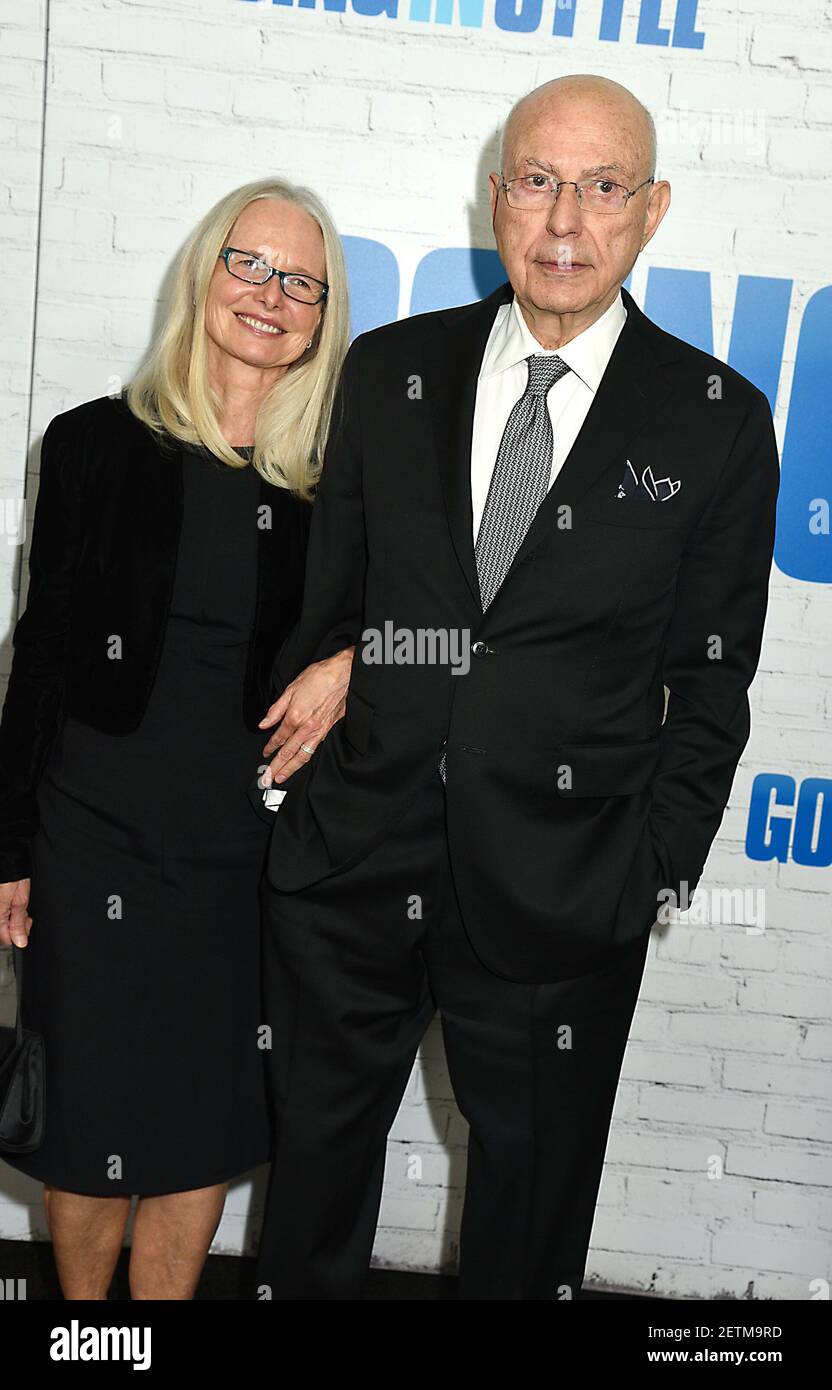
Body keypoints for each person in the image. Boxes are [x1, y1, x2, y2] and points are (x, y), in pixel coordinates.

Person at [255, 75, 781, 1299]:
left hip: (565, 893)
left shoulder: (713, 421)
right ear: (496, 199)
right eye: (538, 181)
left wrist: (649, 864)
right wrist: (354, 664)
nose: (563, 222)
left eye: (602, 189)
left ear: (651, 212)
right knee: (313, 1202)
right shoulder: (391, 370)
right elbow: (332, 620)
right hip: (355, 865)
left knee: (526, 1228)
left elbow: (710, 681)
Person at [0, 177, 354, 1300]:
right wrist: (6, 841)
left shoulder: (338, 488)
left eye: (301, 281)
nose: (270, 295)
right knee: (91, 1121)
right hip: (89, 840)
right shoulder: (96, 446)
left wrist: (351, 664)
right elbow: (40, 656)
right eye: (248, 263)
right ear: (203, 273)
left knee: (202, 1125)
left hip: (246, 861)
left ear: (321, 317)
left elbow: (410, 630)